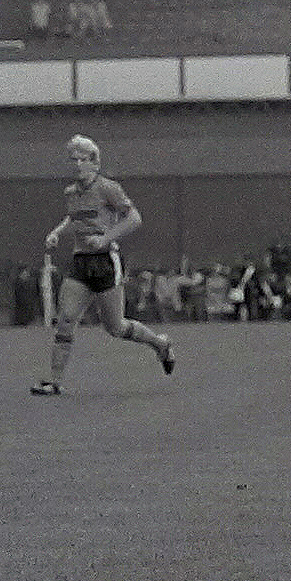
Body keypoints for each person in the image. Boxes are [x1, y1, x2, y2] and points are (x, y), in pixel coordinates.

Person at [32, 135, 174, 395]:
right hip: (80, 262)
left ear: (94, 162)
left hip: (105, 261)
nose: (75, 165)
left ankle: (160, 344)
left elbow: (134, 218)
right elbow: (73, 217)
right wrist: (56, 232)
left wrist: (105, 238)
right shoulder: (72, 192)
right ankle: (54, 381)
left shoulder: (109, 188)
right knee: (65, 319)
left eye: (81, 160)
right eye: (72, 159)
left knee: (116, 327)